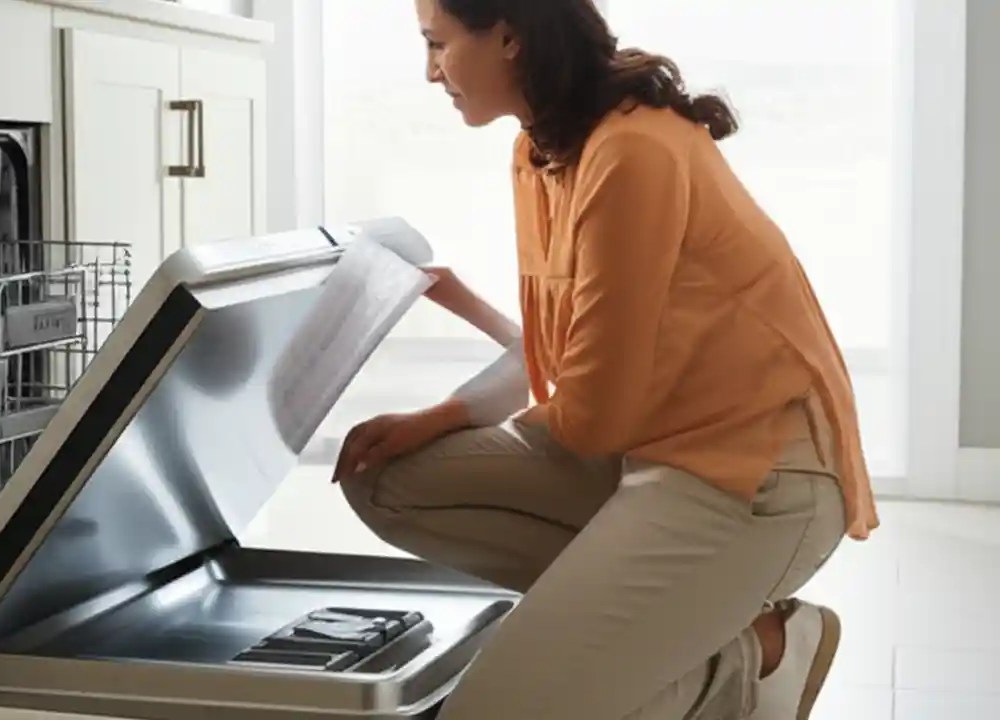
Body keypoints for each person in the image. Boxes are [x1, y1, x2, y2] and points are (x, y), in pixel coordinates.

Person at [331, 1, 880, 718]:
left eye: (437, 45)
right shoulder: (541, 150)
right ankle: (716, 629)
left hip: (757, 480)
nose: (431, 72)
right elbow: (558, 349)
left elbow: (592, 416)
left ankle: (748, 659)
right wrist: (441, 416)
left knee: (496, 711)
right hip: (642, 451)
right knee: (386, 479)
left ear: (509, 38)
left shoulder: (634, 152)